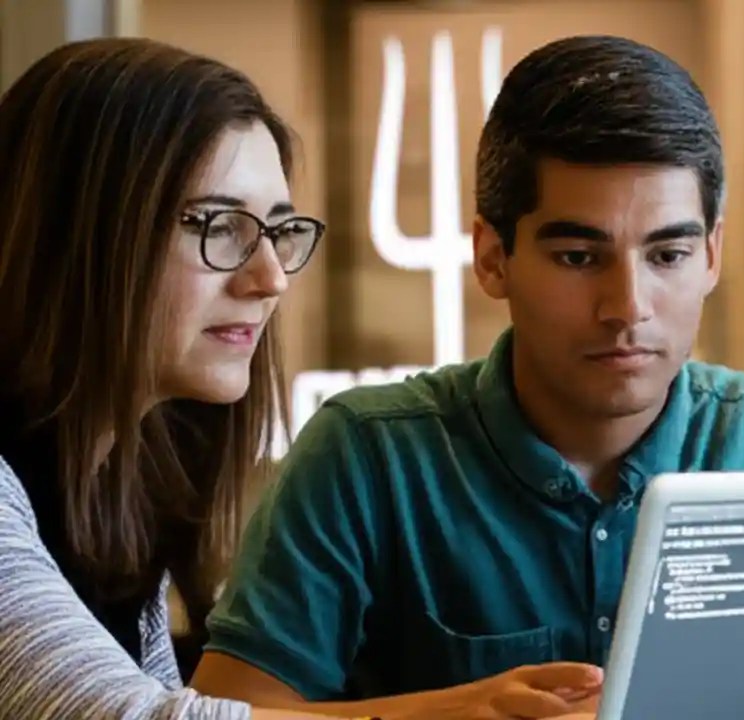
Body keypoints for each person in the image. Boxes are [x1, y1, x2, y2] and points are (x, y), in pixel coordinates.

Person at [190, 34, 744, 716]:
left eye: (668, 255)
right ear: (492, 257)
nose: (627, 307)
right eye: (578, 257)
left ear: (712, 256)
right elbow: (227, 711)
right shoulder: (369, 457)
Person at [0, 36, 598, 720]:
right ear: (78, 233)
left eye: (279, 232)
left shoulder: (120, 486)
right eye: (218, 226)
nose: (270, 278)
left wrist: (479, 702)